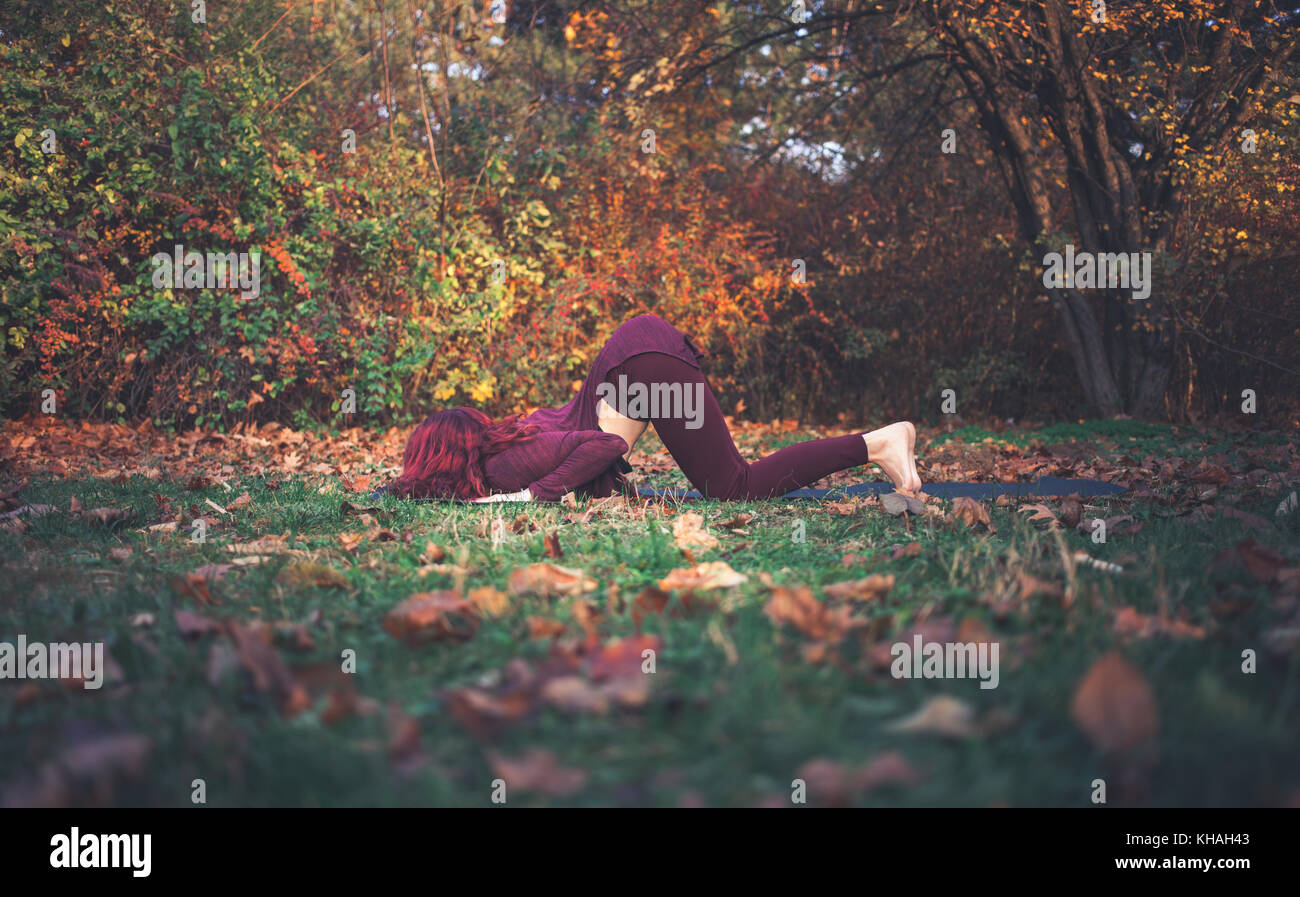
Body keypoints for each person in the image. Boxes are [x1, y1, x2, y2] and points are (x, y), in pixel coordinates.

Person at [389, 314, 921, 503]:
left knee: (732, 486)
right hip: (636, 362)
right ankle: (878, 444)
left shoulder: (501, 465)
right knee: (728, 483)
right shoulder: (505, 442)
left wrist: (535, 496)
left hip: (641, 367)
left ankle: (879, 442)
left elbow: (606, 445)